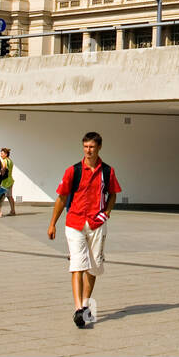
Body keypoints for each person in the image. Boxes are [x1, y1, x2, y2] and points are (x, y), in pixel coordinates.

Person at [47, 132, 121, 329]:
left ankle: (87, 303)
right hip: (75, 222)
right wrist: (53, 222)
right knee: (78, 264)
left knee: (94, 266)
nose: (88, 151)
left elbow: (113, 194)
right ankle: (79, 309)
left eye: (92, 147)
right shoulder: (73, 171)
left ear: (99, 148)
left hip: (97, 223)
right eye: (86, 147)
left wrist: (107, 213)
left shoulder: (107, 171)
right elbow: (62, 198)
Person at [0, 147, 17, 217]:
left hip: (5, 181)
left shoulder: (5, 161)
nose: (1, 154)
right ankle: (13, 211)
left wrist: (0, 173)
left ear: (6, 154)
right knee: (10, 196)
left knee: (0, 196)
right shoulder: (10, 161)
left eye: (2, 153)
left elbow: (3, 170)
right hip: (10, 180)